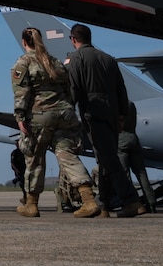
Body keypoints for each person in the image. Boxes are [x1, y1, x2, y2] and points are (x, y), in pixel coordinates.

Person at [12, 26, 101, 218]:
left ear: (24, 42)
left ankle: (31, 204)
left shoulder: (24, 62)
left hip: (40, 115)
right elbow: (69, 89)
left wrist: (20, 117)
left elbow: (21, 93)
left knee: (34, 158)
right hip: (65, 114)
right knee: (67, 155)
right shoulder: (54, 61)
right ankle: (89, 200)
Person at [66, 24, 146, 218]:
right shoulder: (108, 58)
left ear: (73, 39)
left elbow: (74, 88)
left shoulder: (77, 58)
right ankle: (104, 205)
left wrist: (67, 112)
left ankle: (131, 201)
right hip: (112, 112)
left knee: (108, 158)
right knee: (104, 158)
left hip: (93, 111)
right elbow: (121, 90)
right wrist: (121, 116)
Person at [119, 102, 157, 213]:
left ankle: (131, 202)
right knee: (141, 173)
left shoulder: (115, 104)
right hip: (133, 138)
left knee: (124, 174)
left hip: (121, 140)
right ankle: (151, 202)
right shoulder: (131, 104)